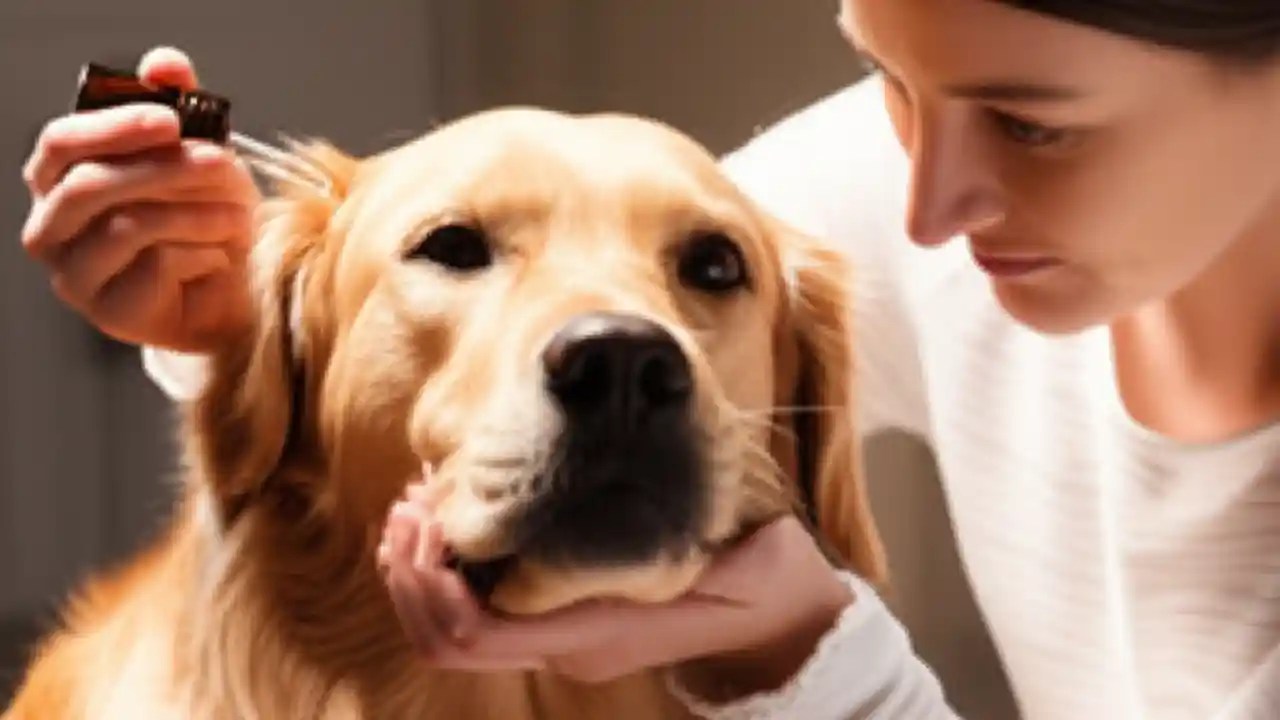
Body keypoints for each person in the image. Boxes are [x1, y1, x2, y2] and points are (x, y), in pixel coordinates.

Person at [18, 1, 1280, 717]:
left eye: (1027, 124)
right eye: (890, 83)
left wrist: (800, 659)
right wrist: (210, 306)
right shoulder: (935, 195)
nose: (922, 209)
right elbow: (549, 235)